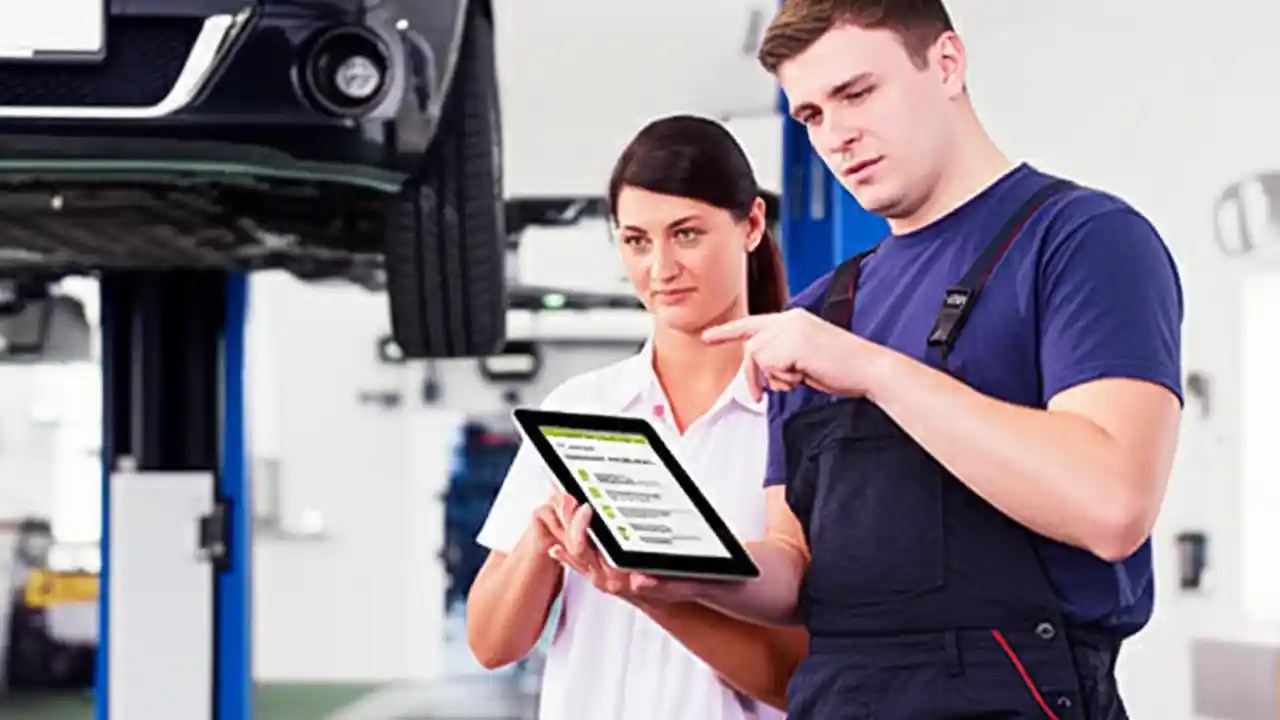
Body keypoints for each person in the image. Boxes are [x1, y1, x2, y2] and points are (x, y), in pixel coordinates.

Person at [551, 1, 1184, 718]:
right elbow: (792, 565)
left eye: (857, 93)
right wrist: (681, 573)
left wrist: (873, 371)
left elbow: (1111, 505)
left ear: (946, 64)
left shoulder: (1081, 241)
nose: (837, 136)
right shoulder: (821, 311)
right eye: (812, 115)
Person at [465, 114, 806, 720]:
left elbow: (794, 678)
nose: (661, 269)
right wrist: (542, 538)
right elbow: (492, 645)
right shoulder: (582, 409)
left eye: (687, 234)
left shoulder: (800, 414)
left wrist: (650, 591)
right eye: (636, 241)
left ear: (752, 225)